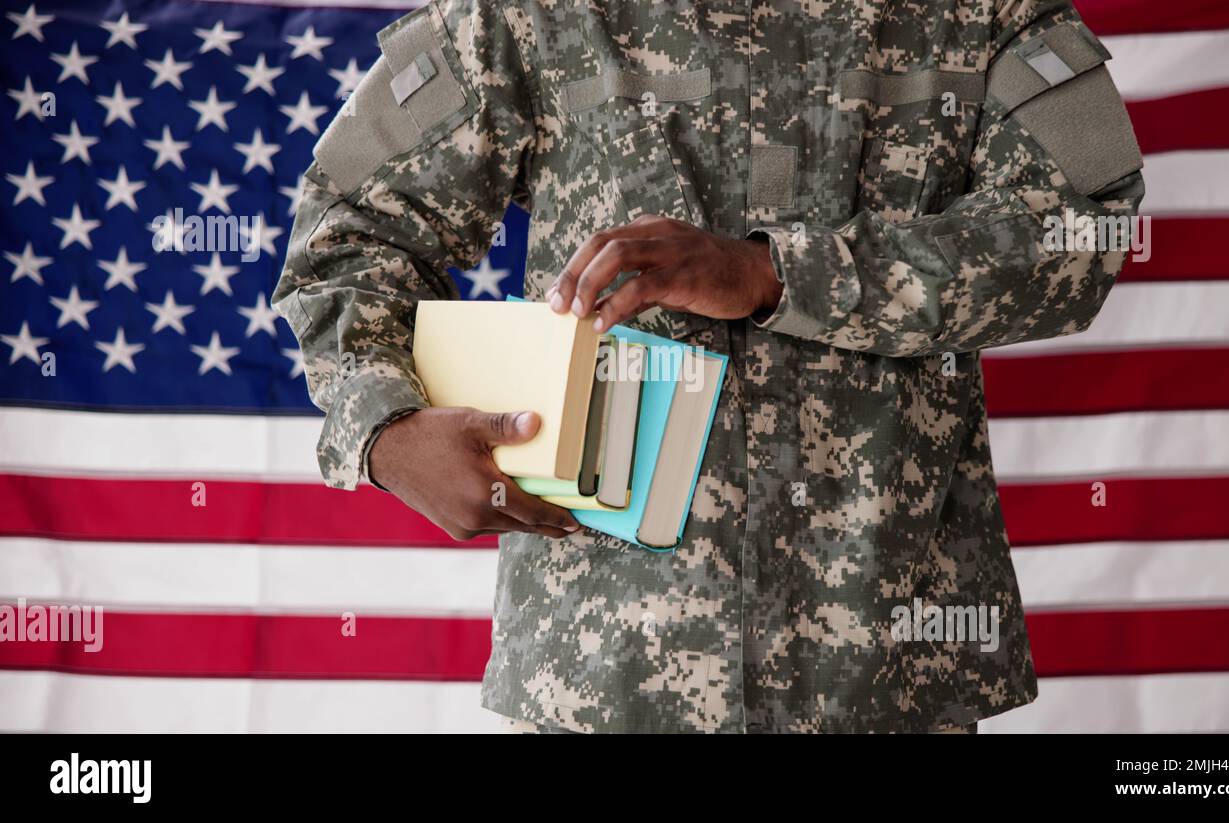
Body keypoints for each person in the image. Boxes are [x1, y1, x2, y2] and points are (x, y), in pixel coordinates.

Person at [274, 0, 1144, 733]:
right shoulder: (535, 14)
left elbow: (1084, 233)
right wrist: (383, 429)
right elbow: (346, 237)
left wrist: (776, 274)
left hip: (887, 672)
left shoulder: (978, 12)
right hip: (602, 675)